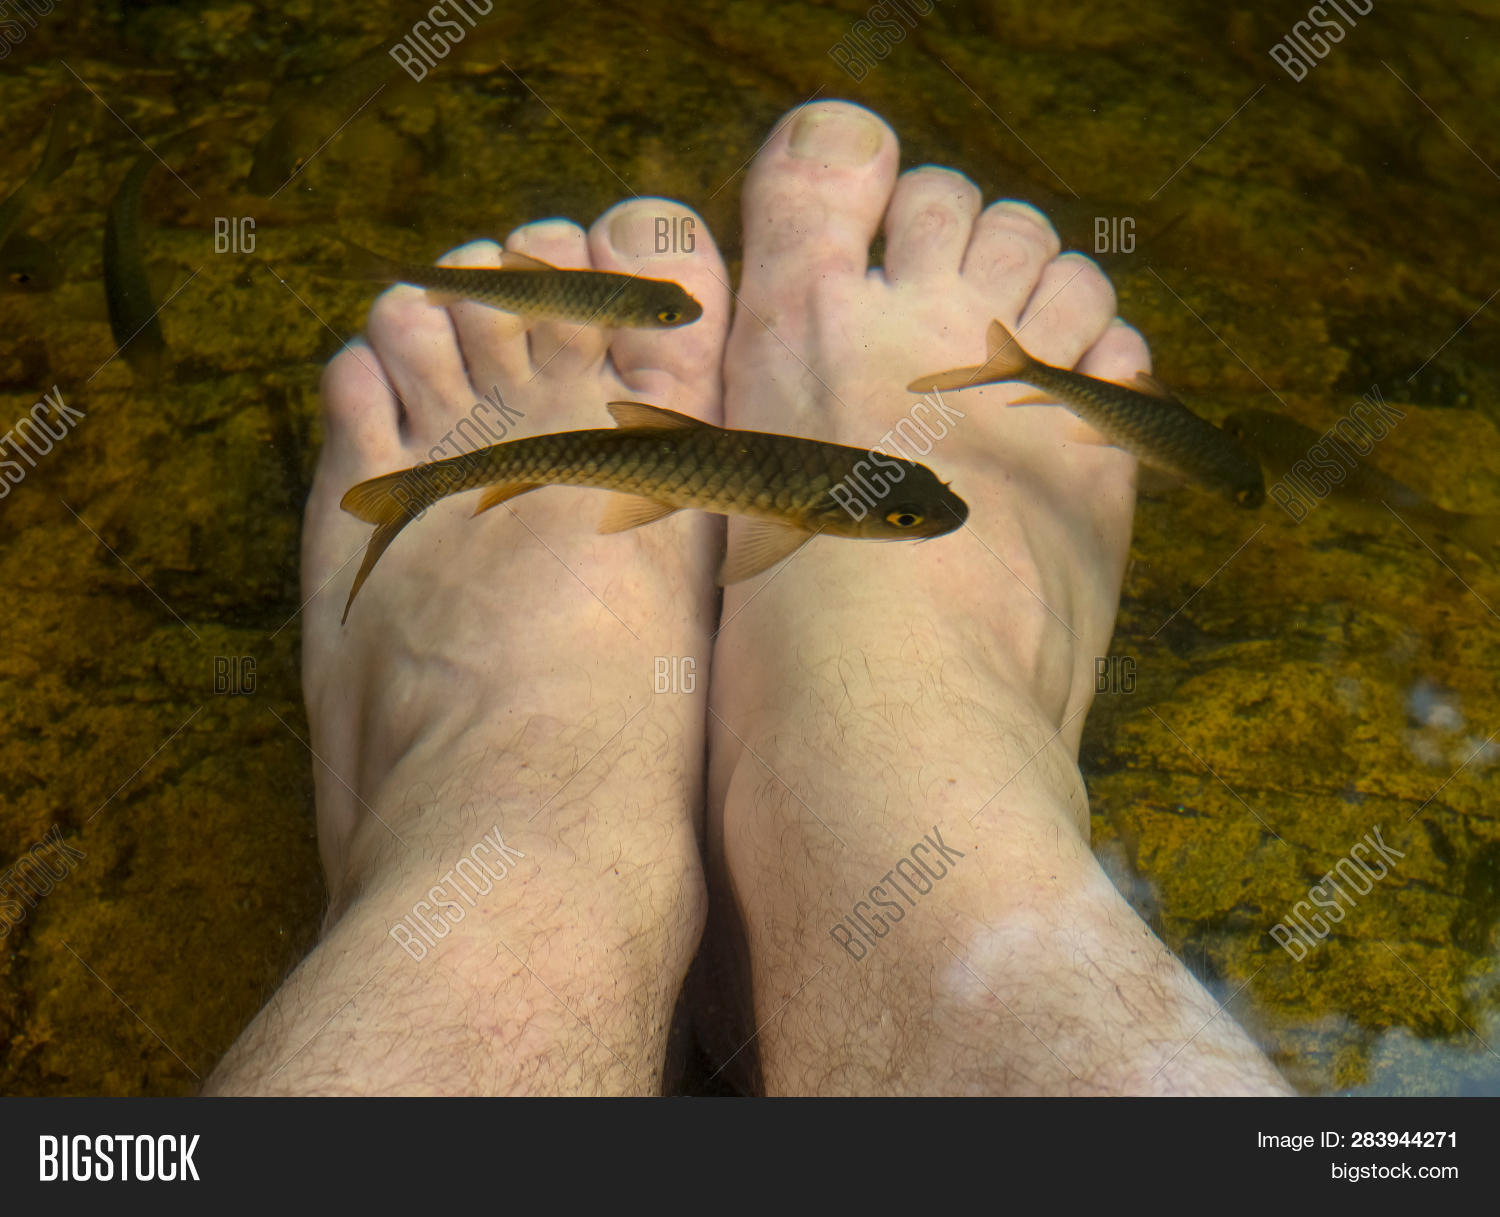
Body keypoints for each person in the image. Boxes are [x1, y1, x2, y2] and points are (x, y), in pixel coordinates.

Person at [205, 101, 1291, 1096]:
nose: (903, 527)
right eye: (904, 523)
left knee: (507, 893)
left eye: (903, 521)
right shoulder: (817, 507)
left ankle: (527, 816)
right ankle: (871, 822)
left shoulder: (808, 495)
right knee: (962, 873)